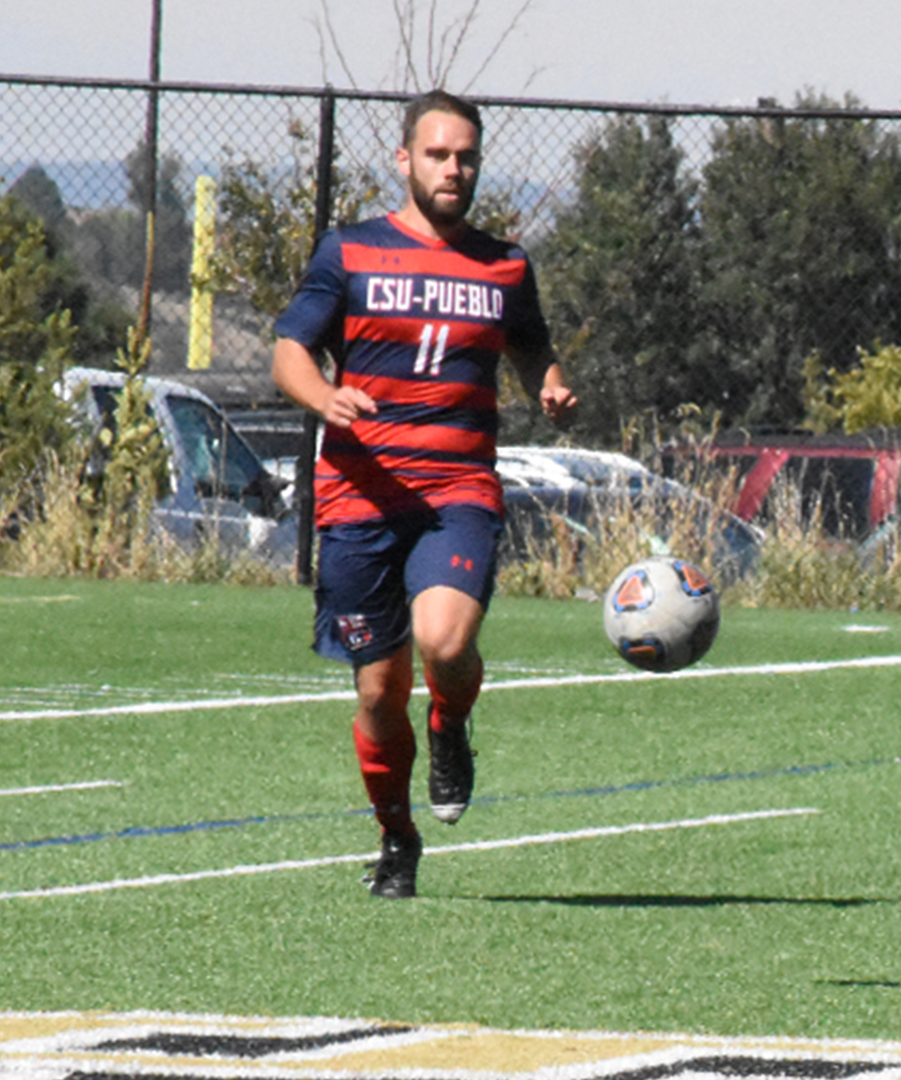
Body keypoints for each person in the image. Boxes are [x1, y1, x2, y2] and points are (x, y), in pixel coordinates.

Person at [272, 89, 577, 899]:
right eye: (438, 154)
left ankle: (451, 722)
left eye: (466, 156)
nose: (454, 168)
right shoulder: (350, 253)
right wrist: (322, 397)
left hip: (458, 490)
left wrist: (546, 383)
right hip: (359, 497)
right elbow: (289, 353)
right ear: (404, 160)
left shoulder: (504, 263)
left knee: (443, 644)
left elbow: (530, 343)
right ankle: (396, 835)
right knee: (377, 689)